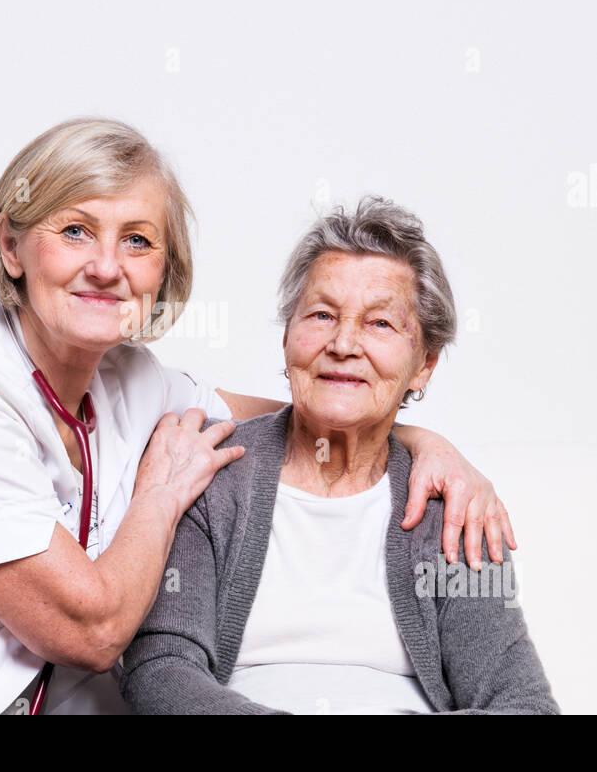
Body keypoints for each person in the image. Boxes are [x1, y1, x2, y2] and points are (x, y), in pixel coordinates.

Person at [0, 120, 514, 714]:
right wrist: (157, 495)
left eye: (139, 240)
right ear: (12, 245)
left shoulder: (133, 381)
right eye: (74, 229)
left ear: (165, 269)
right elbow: (93, 627)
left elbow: (311, 402)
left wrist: (417, 438)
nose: (108, 267)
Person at [120, 196, 558, 714]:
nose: (344, 343)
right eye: (322, 314)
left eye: (379, 324)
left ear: (424, 366)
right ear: (287, 337)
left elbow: (524, 706)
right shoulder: (207, 467)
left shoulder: (455, 507)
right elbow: (162, 670)